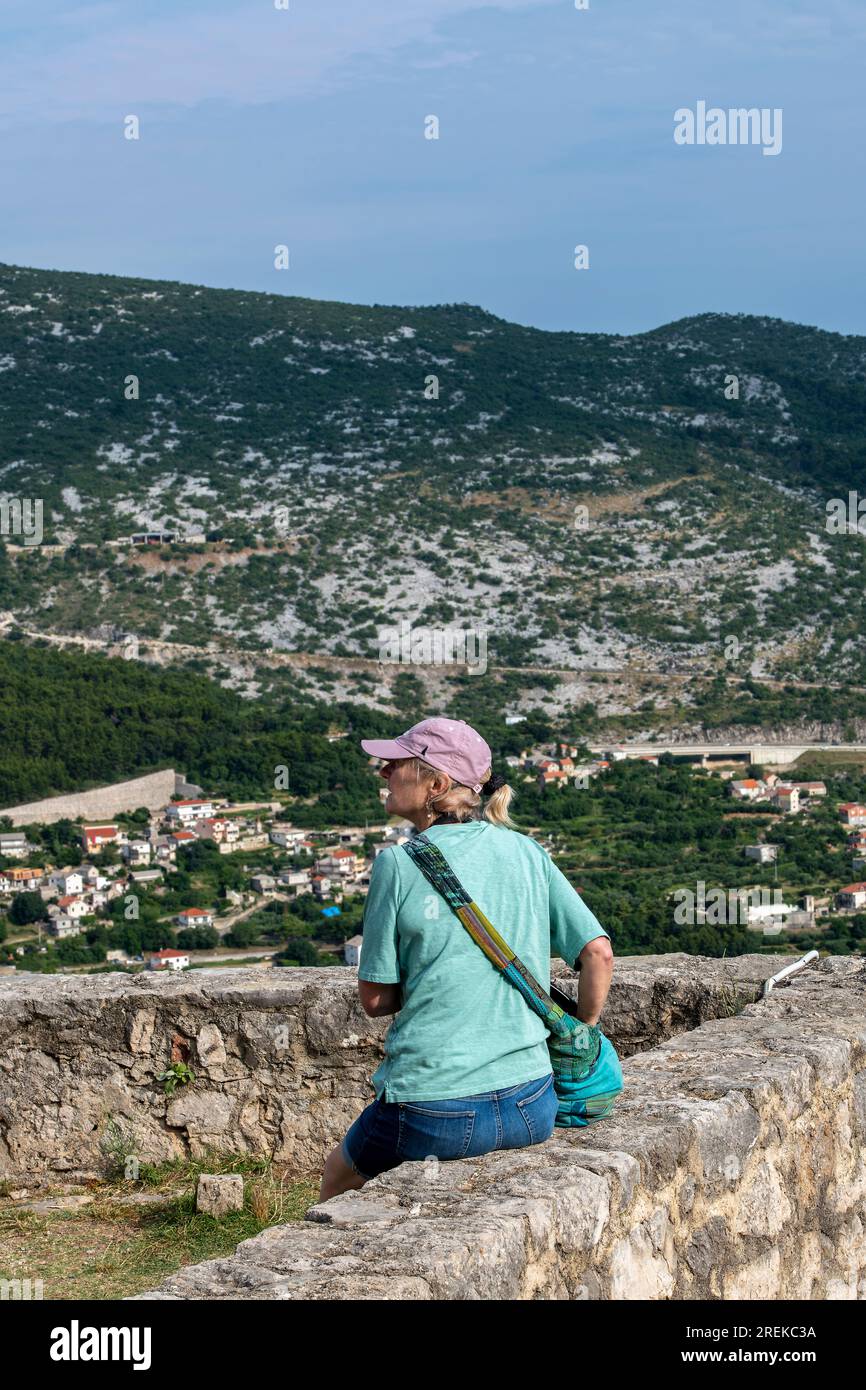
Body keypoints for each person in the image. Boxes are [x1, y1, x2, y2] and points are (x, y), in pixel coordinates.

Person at [318, 716, 614, 1201]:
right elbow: (597, 952)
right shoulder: (526, 850)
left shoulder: (398, 863)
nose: (382, 772)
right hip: (532, 1101)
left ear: (435, 783)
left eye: (395, 764)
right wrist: (583, 1028)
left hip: (431, 1108)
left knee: (339, 1174)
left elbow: (374, 1000)